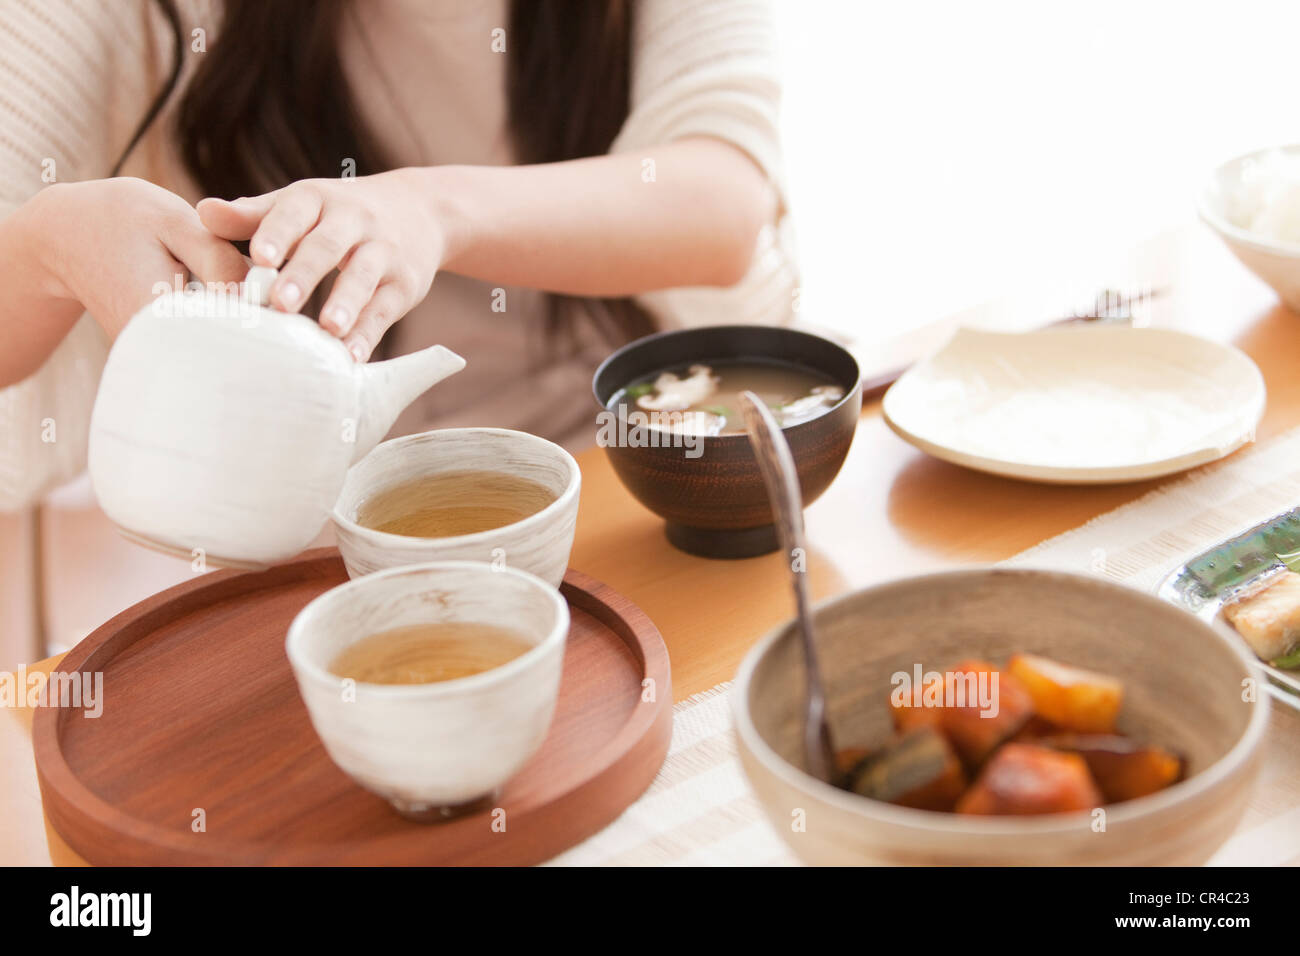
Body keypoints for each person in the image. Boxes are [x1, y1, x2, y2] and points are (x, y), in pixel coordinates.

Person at [0, 0, 796, 510]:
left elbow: (724, 198)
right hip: (334, 514)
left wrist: (434, 209)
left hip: (666, 450)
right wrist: (48, 245)